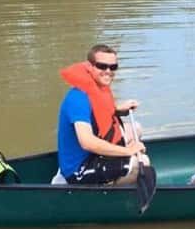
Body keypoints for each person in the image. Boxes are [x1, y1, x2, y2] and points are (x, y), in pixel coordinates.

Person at [57, 44, 148, 184]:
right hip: (79, 168)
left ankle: (116, 173)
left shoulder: (99, 88)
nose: (108, 71)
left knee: (136, 128)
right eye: (102, 66)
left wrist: (117, 110)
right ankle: (111, 197)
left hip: (93, 154)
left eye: (113, 67)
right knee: (138, 164)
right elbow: (87, 142)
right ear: (89, 66)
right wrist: (128, 151)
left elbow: (99, 114)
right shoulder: (77, 99)